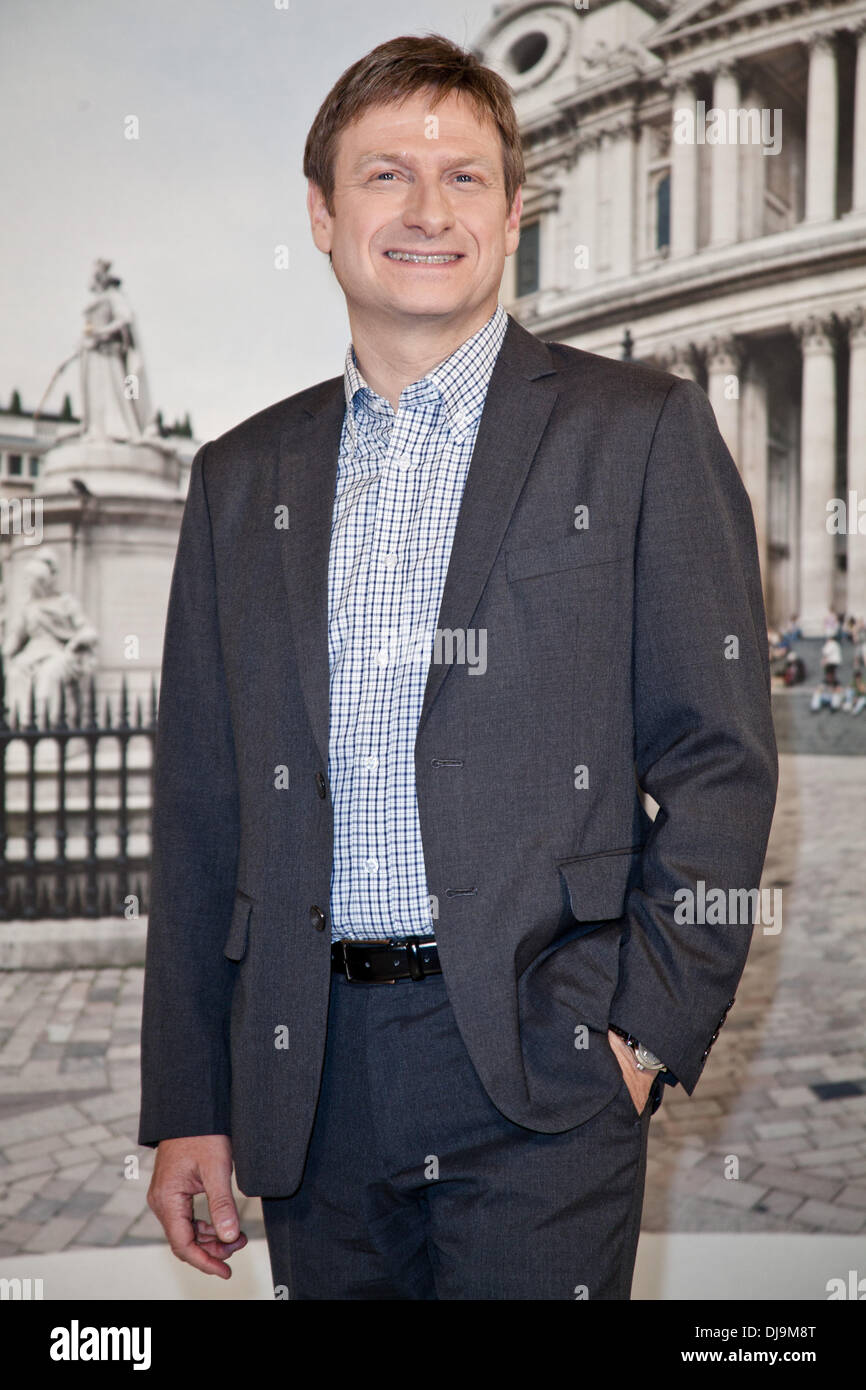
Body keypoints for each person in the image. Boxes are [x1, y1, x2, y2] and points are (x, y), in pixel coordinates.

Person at [138, 34, 778, 1301]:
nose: (428, 211)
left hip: (540, 1064)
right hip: (305, 1075)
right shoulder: (238, 479)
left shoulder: (638, 431)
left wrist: (639, 1033)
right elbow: (202, 811)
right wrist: (188, 1102)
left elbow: (717, 756)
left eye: (465, 178)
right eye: (386, 176)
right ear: (322, 214)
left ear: (513, 208)